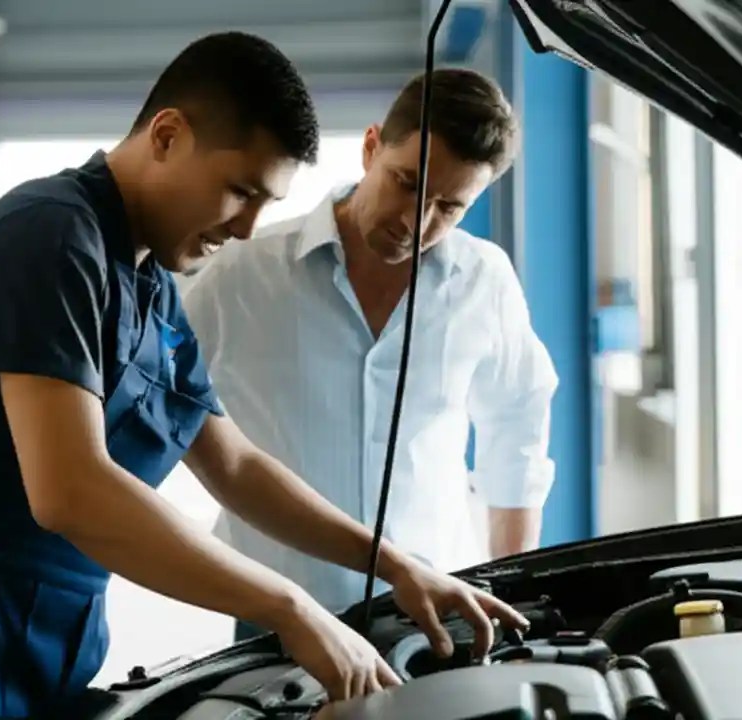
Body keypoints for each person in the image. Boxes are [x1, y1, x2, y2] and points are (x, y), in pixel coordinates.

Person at [0, 33, 528, 719]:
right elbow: (71, 491)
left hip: (45, 627)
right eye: (239, 191)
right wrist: (290, 606)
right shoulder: (48, 236)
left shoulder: (150, 279)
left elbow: (235, 464)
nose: (248, 229)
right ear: (166, 135)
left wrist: (396, 565)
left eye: (266, 204)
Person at [181, 68, 559, 642]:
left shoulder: (485, 280)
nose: (415, 222)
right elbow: (156, 407)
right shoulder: (239, 270)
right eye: (407, 183)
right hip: (277, 616)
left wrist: (512, 591)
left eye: (448, 208)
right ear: (369, 147)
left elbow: (518, 432)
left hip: (435, 613)